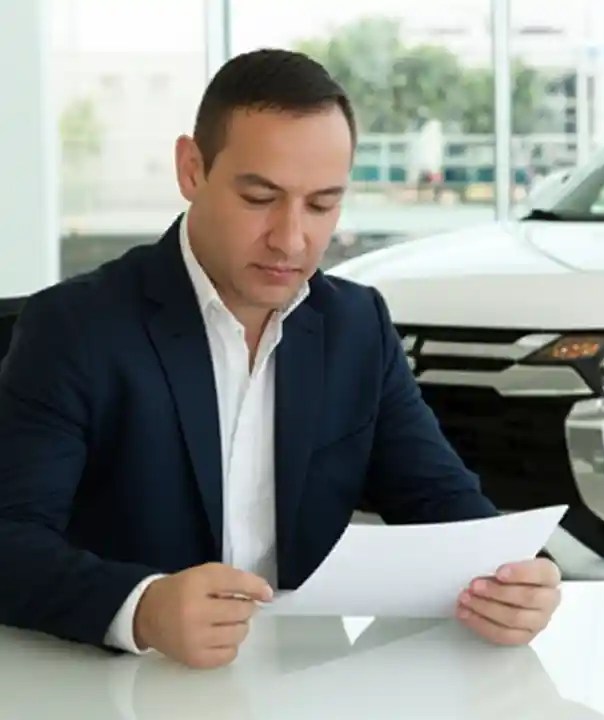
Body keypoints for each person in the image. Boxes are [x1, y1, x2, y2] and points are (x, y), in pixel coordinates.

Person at [0, 48, 561, 669]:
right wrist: (141, 607)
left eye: (321, 205)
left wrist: (512, 579)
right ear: (192, 169)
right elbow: (10, 539)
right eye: (259, 197)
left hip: (303, 678)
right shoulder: (74, 328)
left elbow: (440, 501)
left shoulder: (356, 327)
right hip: (123, 681)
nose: (291, 240)